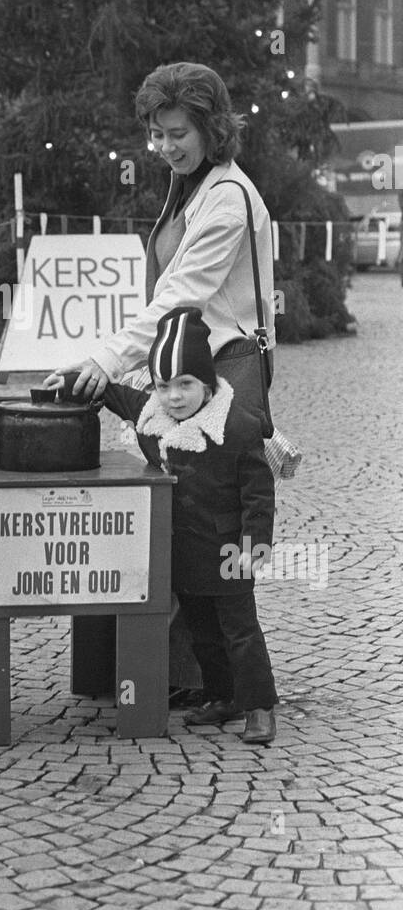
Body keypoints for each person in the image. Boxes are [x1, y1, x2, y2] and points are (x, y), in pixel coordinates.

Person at [46, 61, 276, 704]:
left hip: (229, 368)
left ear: (211, 127)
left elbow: (181, 295)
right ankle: (187, 675)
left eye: (178, 133)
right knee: (174, 508)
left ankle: (236, 683)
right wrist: (108, 362)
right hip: (192, 359)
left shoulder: (226, 199)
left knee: (214, 517)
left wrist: (107, 361)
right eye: (156, 134)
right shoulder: (190, 185)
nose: (166, 146)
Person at [103, 306, 277, 744]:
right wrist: (79, 380)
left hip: (227, 551)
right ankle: (223, 696)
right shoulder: (153, 416)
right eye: (164, 386)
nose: (175, 396)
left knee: (240, 632)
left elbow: (258, 494)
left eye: (186, 385)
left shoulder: (237, 426)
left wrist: (254, 546)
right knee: (203, 633)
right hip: (183, 550)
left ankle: (259, 706)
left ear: (208, 382)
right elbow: (117, 395)